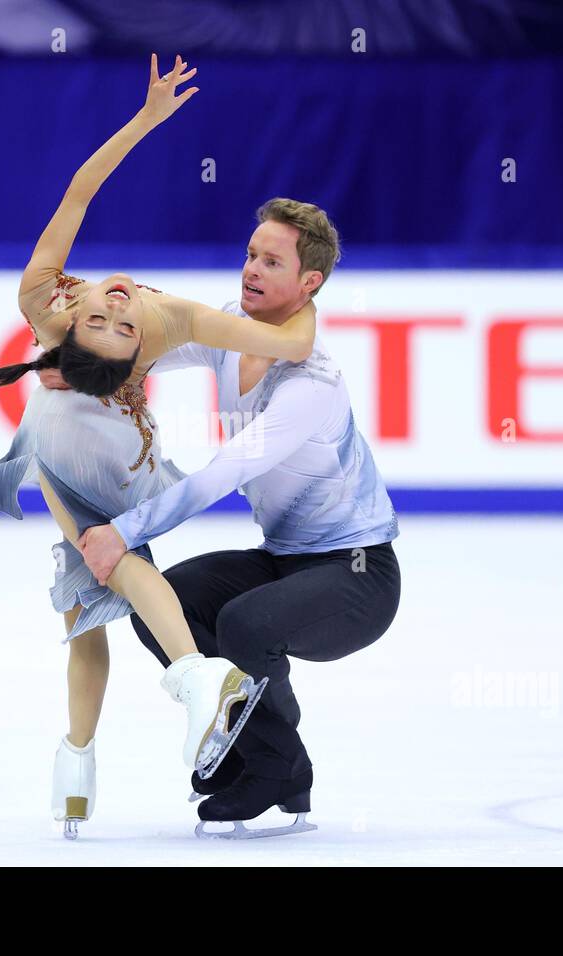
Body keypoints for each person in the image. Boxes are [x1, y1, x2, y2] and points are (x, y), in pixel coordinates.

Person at [0, 55, 319, 839]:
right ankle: (83, 754)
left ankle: (186, 683)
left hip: (93, 448)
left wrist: (145, 120)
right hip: (92, 447)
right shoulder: (157, 321)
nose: (121, 309)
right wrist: (148, 122)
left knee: (103, 553)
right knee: (88, 602)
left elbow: (79, 194)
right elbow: (286, 340)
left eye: (117, 322)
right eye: (113, 324)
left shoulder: (53, 300)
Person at [76, 198, 402, 838]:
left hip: (359, 575)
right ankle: (251, 748)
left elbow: (222, 476)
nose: (250, 269)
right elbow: (155, 347)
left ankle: (278, 767)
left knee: (245, 623)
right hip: (284, 558)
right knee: (163, 602)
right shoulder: (233, 329)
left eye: (271, 261)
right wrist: (91, 358)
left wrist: (124, 532)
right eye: (251, 254)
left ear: (309, 283)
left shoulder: (311, 384)